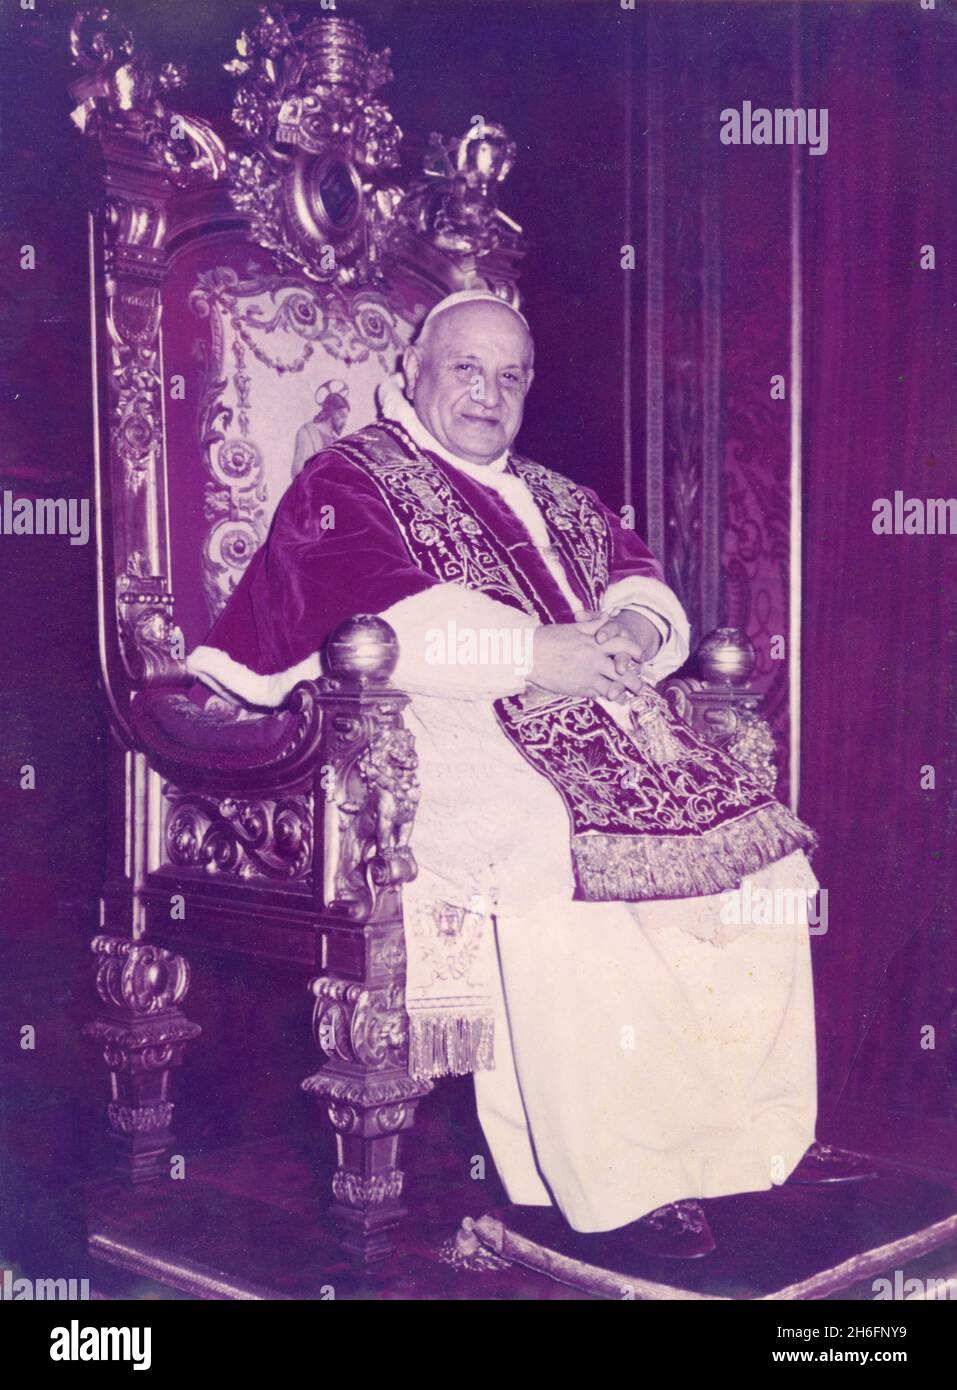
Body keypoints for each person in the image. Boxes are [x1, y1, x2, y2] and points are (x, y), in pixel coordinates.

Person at [187, 289, 872, 1260]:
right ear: (414, 373)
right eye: (468, 368)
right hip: (440, 717)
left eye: (511, 376)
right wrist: (533, 655)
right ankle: (621, 1172)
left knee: (761, 856)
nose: (489, 392)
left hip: (602, 713)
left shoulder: (554, 492)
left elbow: (640, 583)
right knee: (549, 839)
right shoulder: (352, 477)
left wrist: (633, 626)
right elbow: (366, 624)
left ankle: (754, 1137)